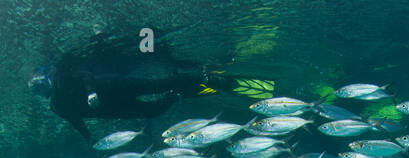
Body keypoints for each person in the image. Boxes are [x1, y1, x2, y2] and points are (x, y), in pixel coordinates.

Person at [29, 29, 271, 137]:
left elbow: (85, 76)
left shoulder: (61, 78)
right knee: (155, 108)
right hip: (115, 109)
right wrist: (87, 138)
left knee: (159, 84)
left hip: (112, 88)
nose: (41, 88)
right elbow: (76, 121)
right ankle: (184, 90)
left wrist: (92, 93)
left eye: (39, 84)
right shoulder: (57, 106)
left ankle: (204, 77)